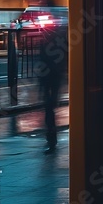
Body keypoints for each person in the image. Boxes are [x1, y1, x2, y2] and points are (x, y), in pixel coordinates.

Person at [36, 18, 68, 153]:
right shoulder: (58, 42)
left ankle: (51, 138)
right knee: (50, 108)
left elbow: (41, 62)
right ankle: (51, 137)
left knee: (49, 108)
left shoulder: (46, 44)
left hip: (49, 78)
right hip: (54, 78)